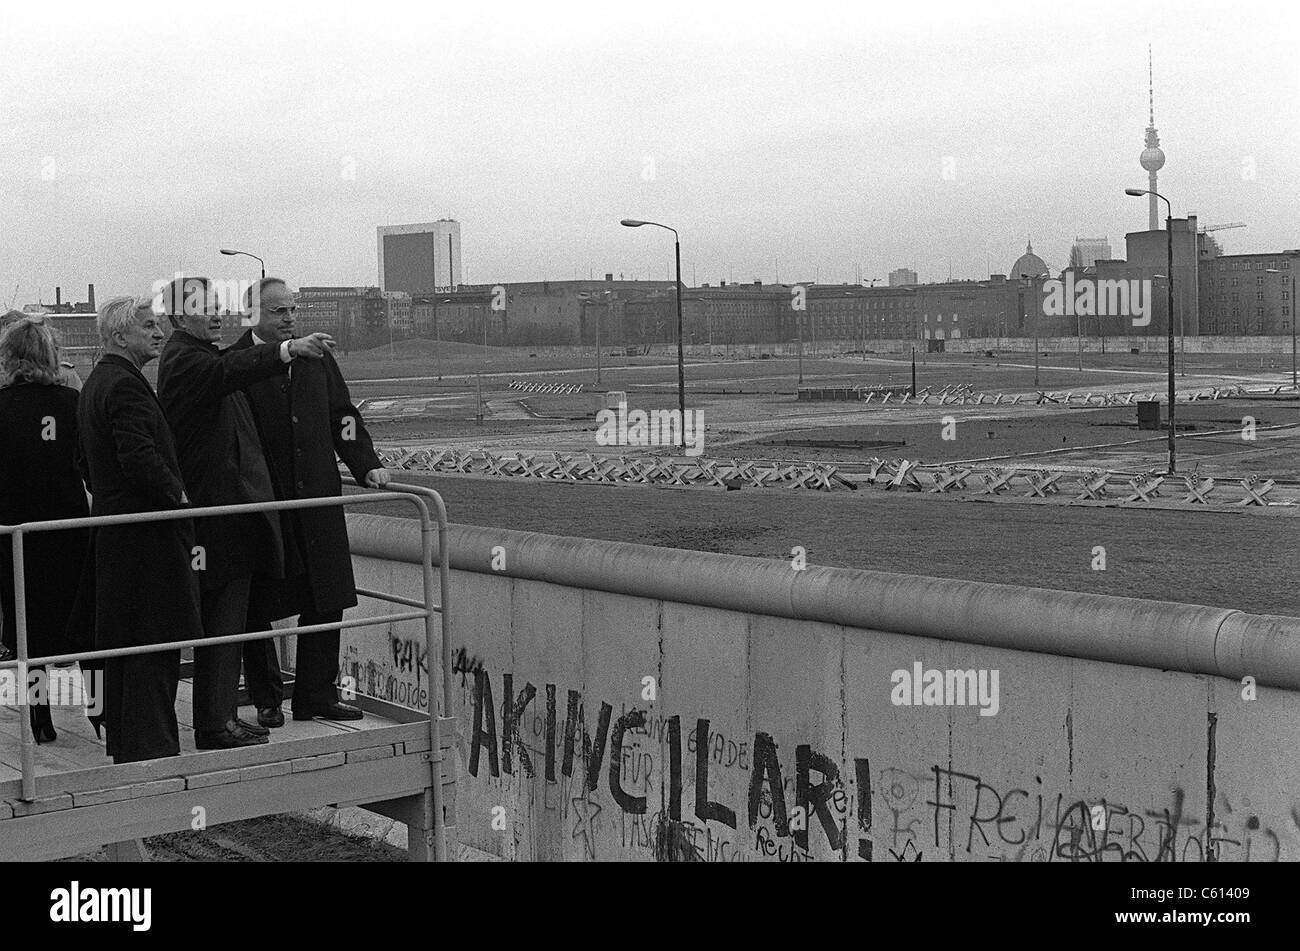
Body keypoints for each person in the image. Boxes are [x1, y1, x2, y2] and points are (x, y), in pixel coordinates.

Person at [156, 276, 334, 748]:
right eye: (204, 308)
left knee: (227, 624)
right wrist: (287, 352)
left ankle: (220, 718)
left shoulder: (200, 355)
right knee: (220, 625)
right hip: (217, 522)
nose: (217, 314)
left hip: (226, 519)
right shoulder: (185, 360)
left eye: (218, 306)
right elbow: (231, 373)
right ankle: (214, 726)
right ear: (178, 317)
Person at [234, 277, 388, 725]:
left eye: (293, 310)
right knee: (258, 602)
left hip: (318, 497)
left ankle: (315, 695)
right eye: (279, 311)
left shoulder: (317, 359)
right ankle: (266, 698)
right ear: (254, 314)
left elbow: (342, 415)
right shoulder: (237, 362)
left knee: (326, 595)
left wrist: (366, 464)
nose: (290, 319)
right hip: (265, 502)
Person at [76, 296, 200, 763]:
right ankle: (153, 755)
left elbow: (84, 462)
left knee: (126, 651)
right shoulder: (125, 386)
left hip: (116, 536)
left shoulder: (97, 383)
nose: (159, 333)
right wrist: (179, 497)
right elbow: (137, 455)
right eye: (147, 326)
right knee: (153, 648)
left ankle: (129, 748)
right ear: (119, 335)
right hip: (147, 542)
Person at [0, 318, 91, 743]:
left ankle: (41, 720)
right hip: (68, 530)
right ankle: (100, 711)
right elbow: (89, 468)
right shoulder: (72, 402)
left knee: (27, 629)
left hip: (14, 536)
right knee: (83, 625)